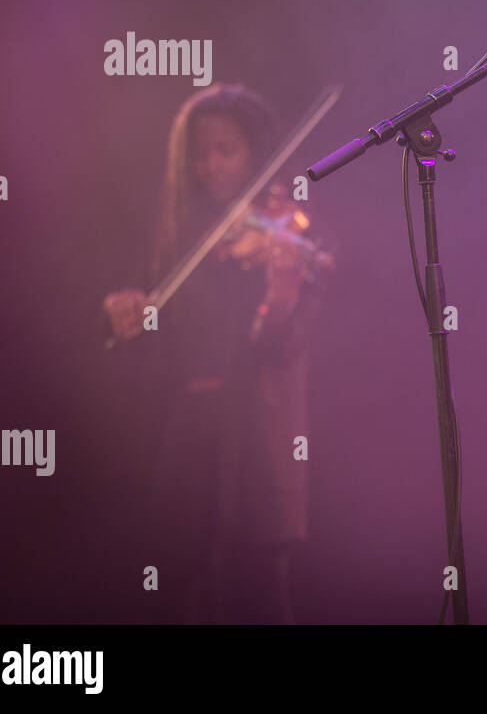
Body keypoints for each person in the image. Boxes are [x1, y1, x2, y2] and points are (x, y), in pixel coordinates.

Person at [104, 84, 329, 623]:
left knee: (255, 587)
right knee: (175, 584)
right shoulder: (182, 235)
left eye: (224, 150)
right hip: (187, 430)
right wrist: (126, 309)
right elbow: (147, 324)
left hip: (254, 432)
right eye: (198, 155)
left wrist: (280, 294)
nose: (208, 167)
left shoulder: (280, 232)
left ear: (255, 150)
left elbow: (278, 347)